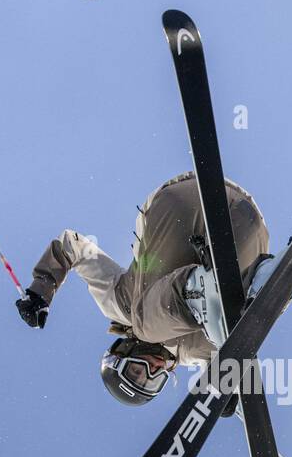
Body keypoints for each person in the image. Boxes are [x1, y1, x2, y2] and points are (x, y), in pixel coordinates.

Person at [15, 173, 275, 406]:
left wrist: (41, 290)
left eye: (136, 371)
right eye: (153, 381)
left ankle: (197, 293)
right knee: (222, 338)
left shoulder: (118, 302)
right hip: (245, 229)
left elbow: (74, 248)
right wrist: (227, 388)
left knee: (144, 326)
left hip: (182, 209)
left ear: (121, 355)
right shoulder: (196, 355)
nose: (152, 370)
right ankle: (266, 283)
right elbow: (235, 350)